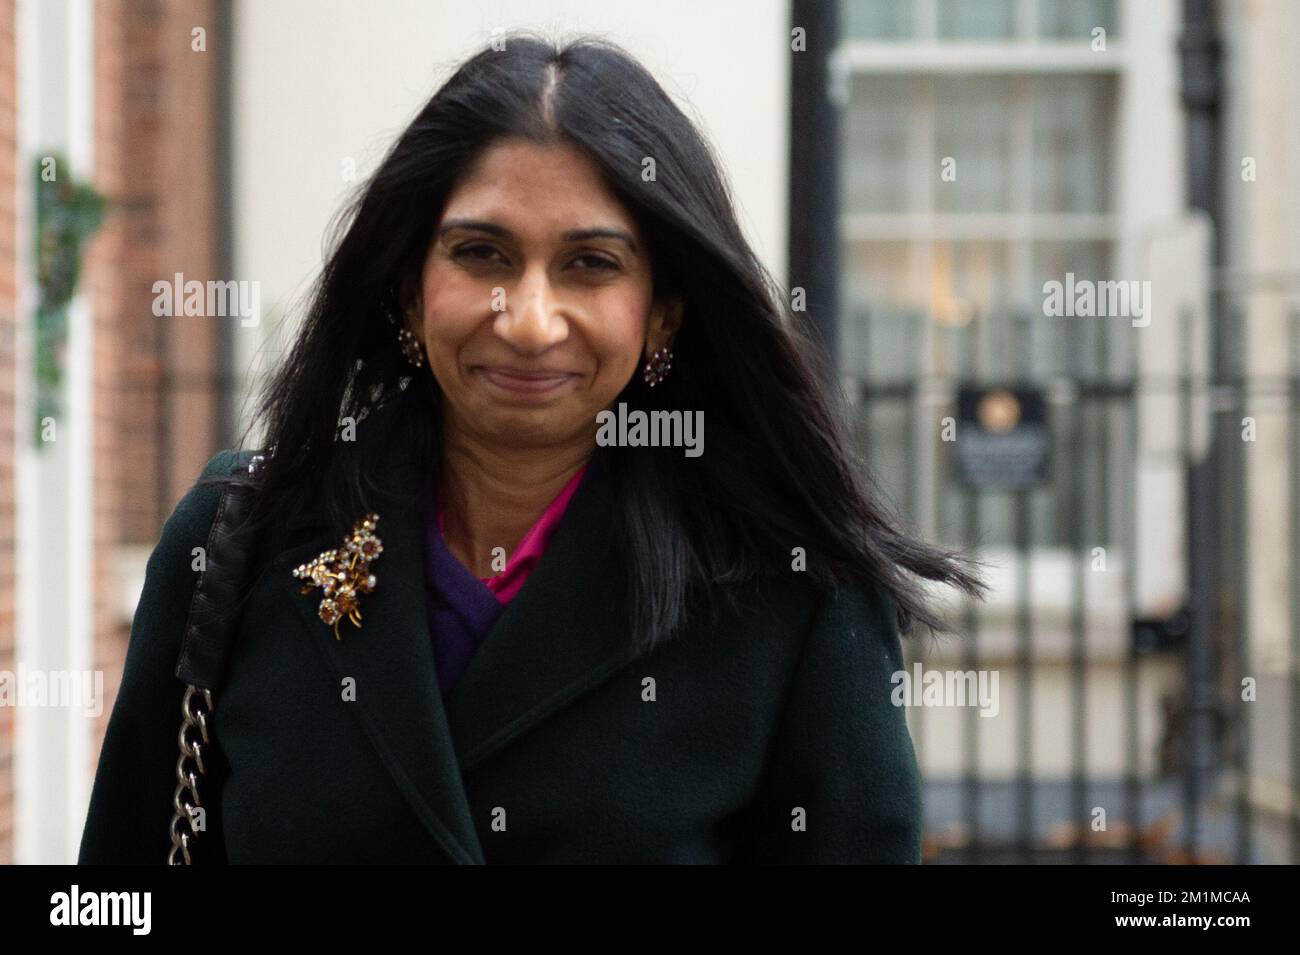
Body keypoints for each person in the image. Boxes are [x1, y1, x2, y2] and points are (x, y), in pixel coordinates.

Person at [78, 32, 984, 865]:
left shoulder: (794, 590)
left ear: (662, 311)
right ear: (408, 286)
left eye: (591, 264)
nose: (530, 319)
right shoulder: (236, 544)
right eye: (482, 254)